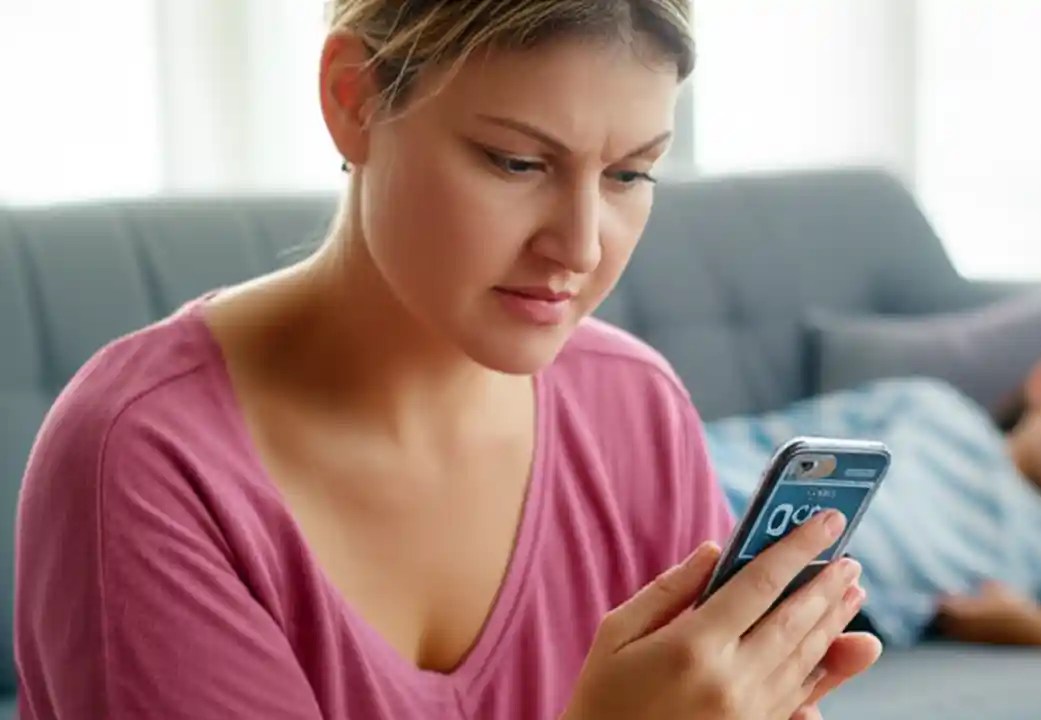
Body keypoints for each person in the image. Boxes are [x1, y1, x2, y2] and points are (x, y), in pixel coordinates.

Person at [13, 2, 881, 718]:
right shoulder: (144, 458)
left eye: (629, 176)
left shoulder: (637, 410)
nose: (578, 246)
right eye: (517, 161)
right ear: (352, 98)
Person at [709, 337, 1041, 650]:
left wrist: (1037, 630)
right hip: (723, 505)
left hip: (811, 600)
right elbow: (767, 441)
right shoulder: (931, 408)